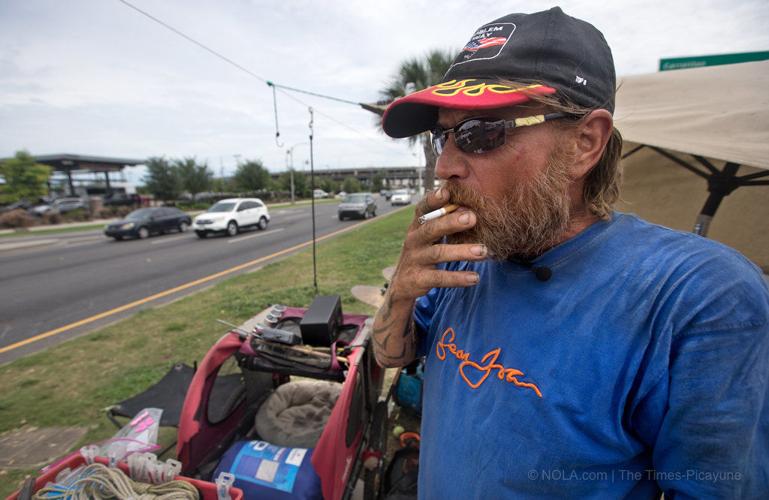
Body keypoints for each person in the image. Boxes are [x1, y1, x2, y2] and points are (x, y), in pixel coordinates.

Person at [372, 6, 769, 499]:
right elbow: (393, 354)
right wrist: (401, 295)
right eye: (443, 137)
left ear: (584, 143)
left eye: (479, 133)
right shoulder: (467, 253)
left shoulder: (696, 295)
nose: (445, 167)